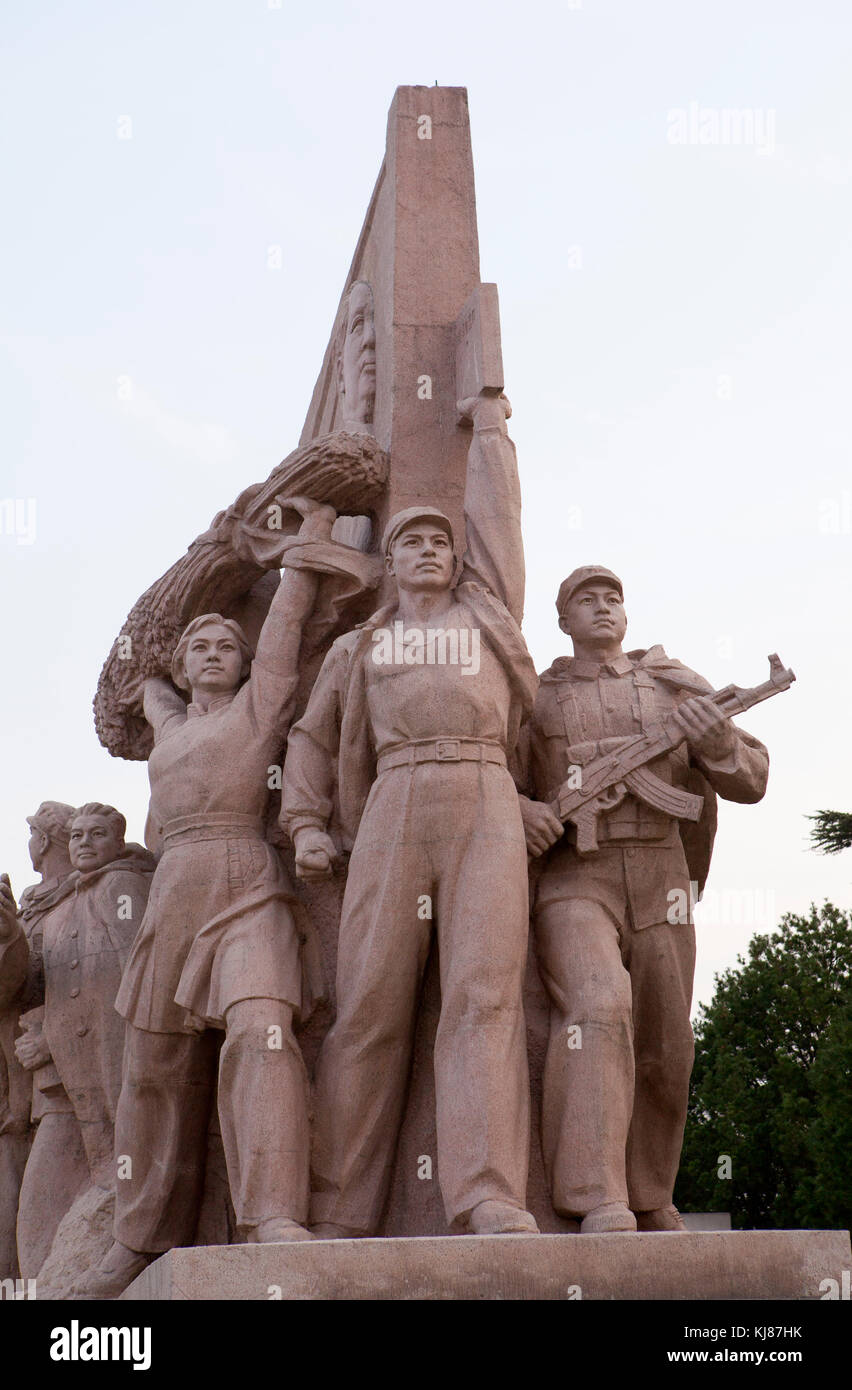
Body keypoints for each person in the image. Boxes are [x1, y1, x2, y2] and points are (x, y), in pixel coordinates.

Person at [76, 496, 369, 1298]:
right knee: (154, 1070)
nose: (215, 652)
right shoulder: (164, 728)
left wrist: (301, 561)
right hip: (175, 893)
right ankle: (139, 1237)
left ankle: (272, 1213)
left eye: (225, 645)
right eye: (199, 645)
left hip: (246, 880)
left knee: (262, 1032)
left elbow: (279, 645)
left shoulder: (258, 706)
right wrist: (216, 552)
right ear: (177, 670)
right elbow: (131, 676)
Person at [282, 391, 540, 1238]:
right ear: (389, 564)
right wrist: (309, 824)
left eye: (439, 541)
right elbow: (311, 743)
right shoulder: (361, 647)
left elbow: (498, 522)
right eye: (410, 542)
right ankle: (338, 1209)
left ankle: (486, 1194)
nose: (427, 551)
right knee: (368, 1006)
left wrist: (492, 427)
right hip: (392, 803)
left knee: (485, 995)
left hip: (485, 795)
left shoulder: (487, 616)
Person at [517, 567, 769, 1232]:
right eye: (585, 600)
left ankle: (649, 1192)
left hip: (664, 872)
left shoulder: (671, 684)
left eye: (612, 598)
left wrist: (716, 742)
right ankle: (595, 1195)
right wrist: (522, 811)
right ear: (563, 621)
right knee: (599, 1009)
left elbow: (752, 779)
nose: (602, 608)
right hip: (577, 874)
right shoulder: (535, 697)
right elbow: (497, 773)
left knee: (667, 1042)